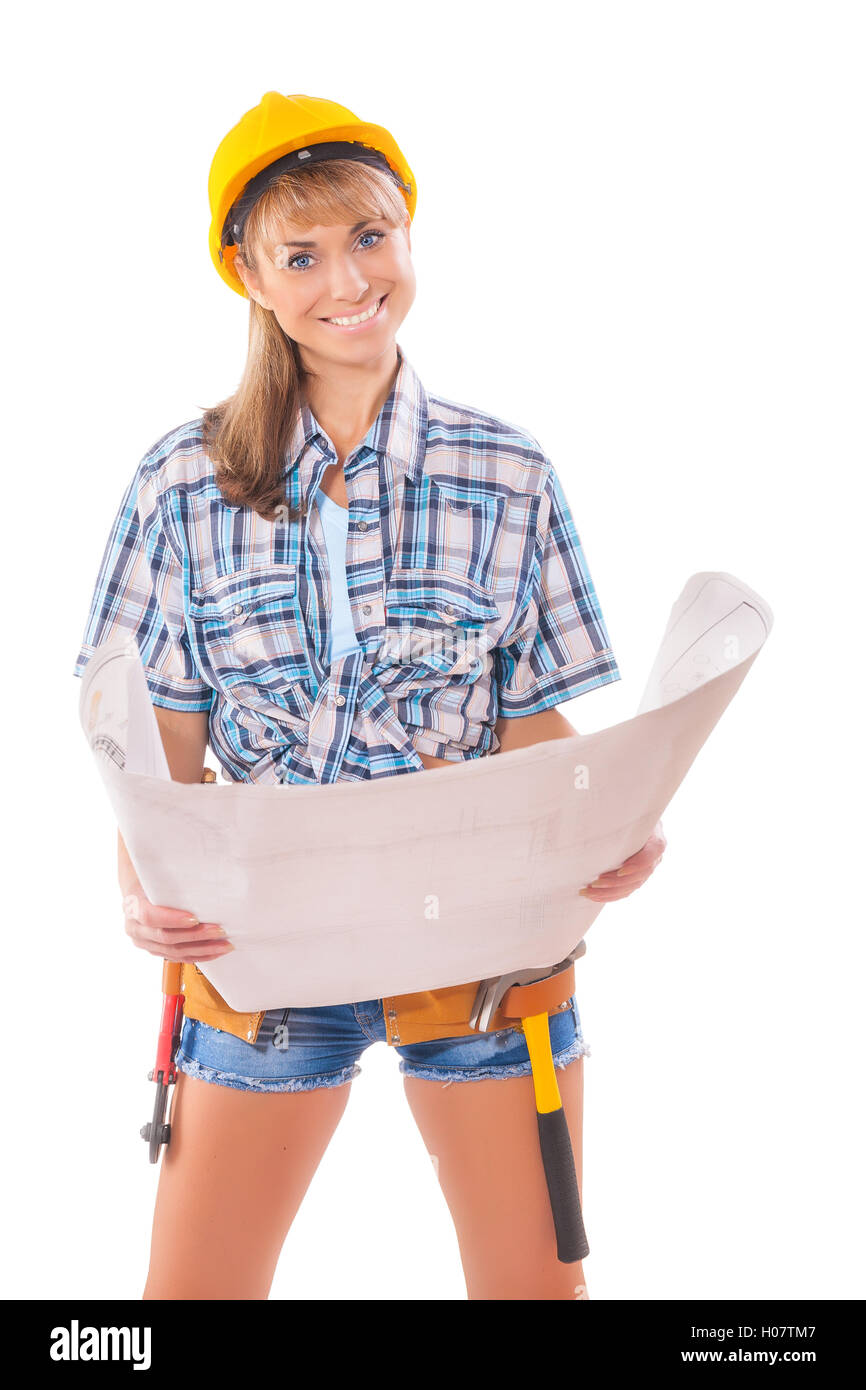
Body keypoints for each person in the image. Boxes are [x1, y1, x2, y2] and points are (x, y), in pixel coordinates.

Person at [73, 92, 666, 1301]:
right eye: (303, 254)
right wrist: (138, 889)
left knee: (532, 1296)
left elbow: (526, 724)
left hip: (491, 943)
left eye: (370, 237)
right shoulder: (181, 484)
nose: (347, 278)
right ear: (250, 272)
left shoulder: (507, 471)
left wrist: (612, 819)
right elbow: (155, 756)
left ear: (406, 236)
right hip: (265, 946)